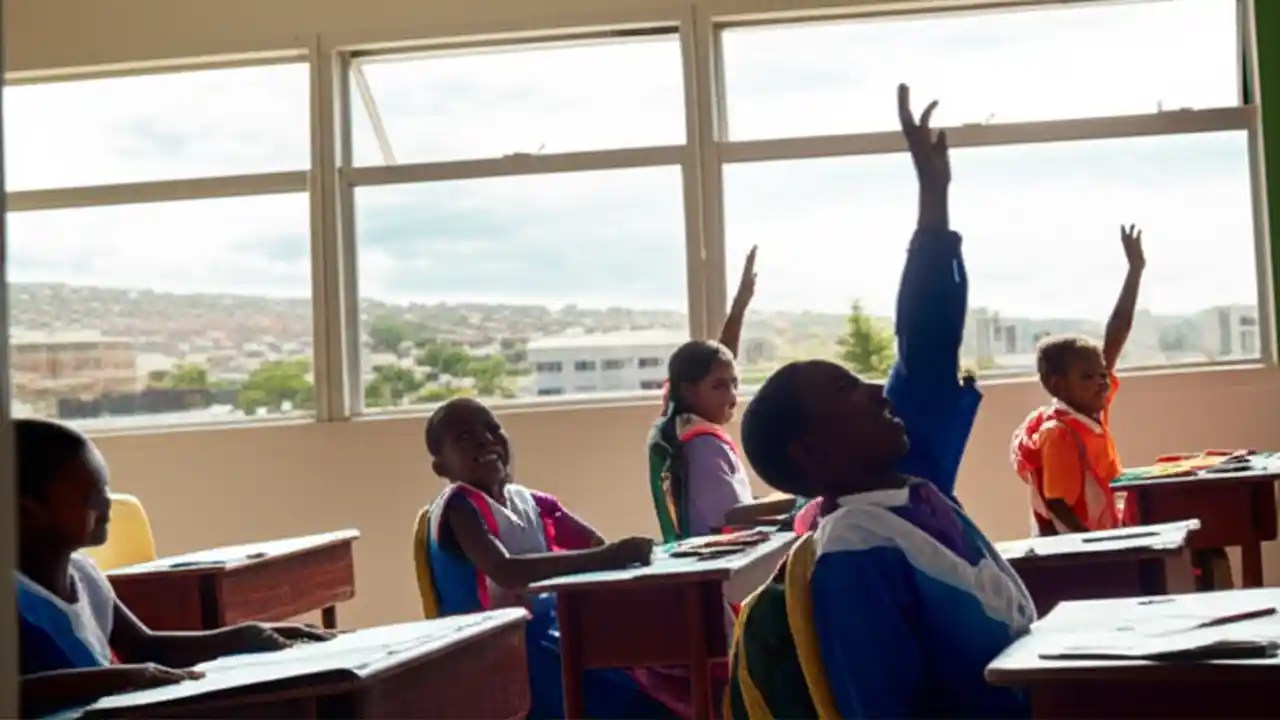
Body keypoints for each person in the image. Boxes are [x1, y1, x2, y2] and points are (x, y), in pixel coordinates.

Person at [728, 85, 1035, 719]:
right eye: (846, 389)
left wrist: (933, 199)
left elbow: (924, 346)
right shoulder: (852, 551)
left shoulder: (907, 487)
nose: (875, 391)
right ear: (811, 450)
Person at [15, 418, 332, 718]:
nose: (108, 504)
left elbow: (143, 646)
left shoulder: (84, 575)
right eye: (91, 497)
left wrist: (241, 637)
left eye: (106, 489)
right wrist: (115, 679)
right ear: (26, 512)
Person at [422, 397, 676, 719]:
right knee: (622, 695)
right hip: (499, 651)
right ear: (441, 467)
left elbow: (594, 543)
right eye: (464, 437)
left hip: (551, 633)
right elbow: (507, 572)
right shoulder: (459, 507)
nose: (486, 440)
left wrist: (613, 555)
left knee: (645, 673)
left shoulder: (529, 501)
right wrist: (604, 557)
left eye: (492, 429)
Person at [647, 247, 799, 542]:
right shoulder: (702, 447)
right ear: (689, 389)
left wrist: (740, 307)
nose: (731, 396)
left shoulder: (676, 422)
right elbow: (732, 516)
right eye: (720, 387)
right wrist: (802, 499)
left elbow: (717, 360)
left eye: (735, 384)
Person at [1010, 225, 1145, 535]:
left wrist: (1135, 270)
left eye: (1102, 374)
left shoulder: (1089, 412)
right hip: (1078, 552)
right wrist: (1095, 547)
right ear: (1059, 386)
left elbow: (1116, 335)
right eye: (1089, 376)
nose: (1102, 381)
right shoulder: (1059, 434)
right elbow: (1058, 504)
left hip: (1103, 536)